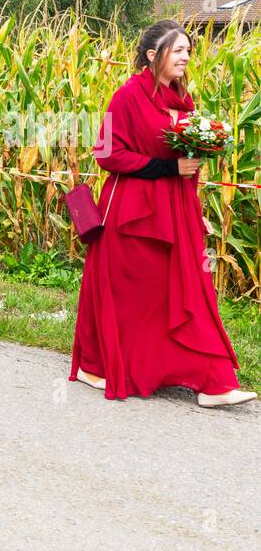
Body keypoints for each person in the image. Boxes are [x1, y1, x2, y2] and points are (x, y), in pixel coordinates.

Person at [71, 20, 254, 408]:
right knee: (136, 297)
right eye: (178, 50)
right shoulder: (125, 98)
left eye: (189, 50)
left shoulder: (181, 100)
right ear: (153, 55)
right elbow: (107, 154)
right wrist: (168, 169)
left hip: (176, 209)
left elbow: (185, 161)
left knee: (188, 289)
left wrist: (195, 199)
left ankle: (213, 382)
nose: (186, 57)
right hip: (133, 214)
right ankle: (101, 367)